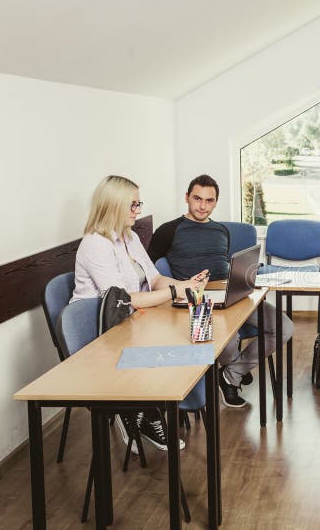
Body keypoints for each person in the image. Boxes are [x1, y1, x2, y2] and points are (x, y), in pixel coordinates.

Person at [72, 175, 208, 451]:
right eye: (132, 204)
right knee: (168, 345)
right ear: (113, 205)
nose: (138, 210)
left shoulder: (129, 237)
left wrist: (185, 285)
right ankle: (136, 409)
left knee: (184, 342)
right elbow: (124, 300)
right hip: (100, 335)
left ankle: (143, 408)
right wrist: (174, 293)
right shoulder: (95, 243)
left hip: (129, 321)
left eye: (138, 203)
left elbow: (155, 278)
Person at [148, 174, 294, 408]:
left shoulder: (221, 231)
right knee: (228, 340)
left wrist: (241, 280)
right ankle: (235, 372)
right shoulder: (169, 231)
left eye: (209, 200)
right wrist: (179, 288)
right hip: (197, 302)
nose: (202, 206)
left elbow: (222, 264)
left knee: (284, 327)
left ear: (216, 202)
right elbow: (149, 272)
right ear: (186, 198)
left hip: (231, 294)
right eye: (197, 199)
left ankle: (230, 374)